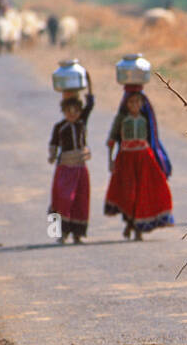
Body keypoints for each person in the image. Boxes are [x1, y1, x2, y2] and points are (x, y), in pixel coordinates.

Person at [104, 86, 173, 239]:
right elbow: (111, 140)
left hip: (144, 159)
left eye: (137, 102)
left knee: (143, 192)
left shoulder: (145, 119)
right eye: (131, 102)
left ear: (142, 104)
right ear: (126, 104)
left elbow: (153, 140)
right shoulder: (121, 119)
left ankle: (138, 229)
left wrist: (158, 160)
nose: (134, 105)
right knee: (129, 193)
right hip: (126, 160)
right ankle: (130, 223)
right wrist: (110, 160)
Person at [48, 75, 94, 244]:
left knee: (80, 200)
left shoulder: (82, 123)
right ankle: (61, 233)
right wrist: (52, 156)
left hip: (80, 167)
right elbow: (53, 144)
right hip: (65, 167)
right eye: (69, 111)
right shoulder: (60, 127)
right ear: (64, 111)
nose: (73, 114)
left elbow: (90, 105)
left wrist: (89, 84)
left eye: (76, 110)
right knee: (64, 199)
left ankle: (77, 233)